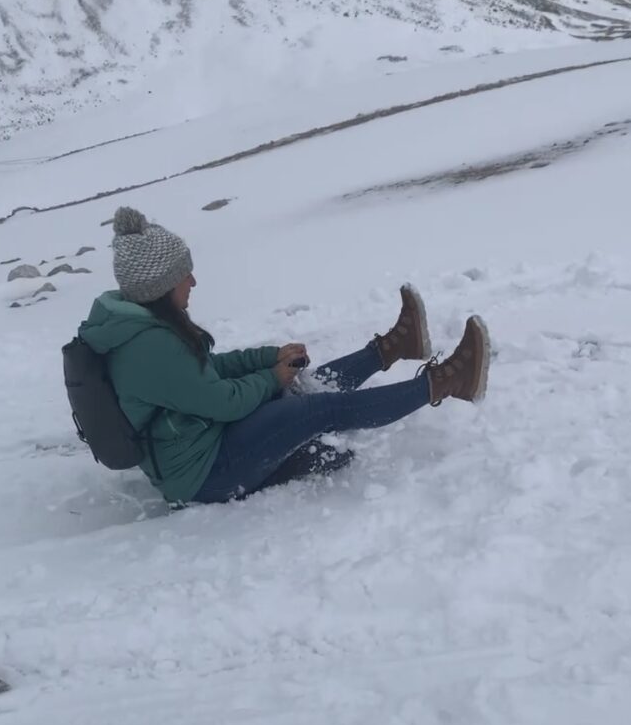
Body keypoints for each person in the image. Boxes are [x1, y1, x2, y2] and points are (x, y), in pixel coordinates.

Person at [78, 207, 490, 505]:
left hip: (205, 443)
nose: (193, 281)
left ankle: (393, 348)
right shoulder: (148, 346)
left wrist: (268, 358)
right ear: (159, 286)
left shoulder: (143, 328)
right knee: (314, 409)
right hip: (203, 475)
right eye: (183, 274)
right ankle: (449, 381)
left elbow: (208, 371)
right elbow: (221, 401)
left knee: (302, 389)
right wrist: (272, 378)